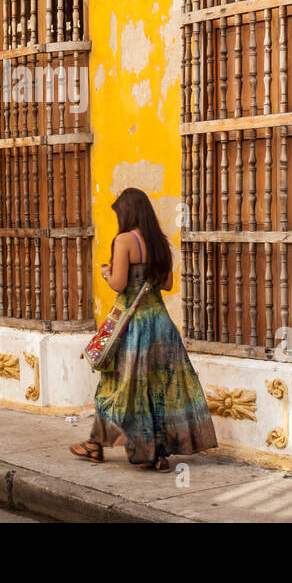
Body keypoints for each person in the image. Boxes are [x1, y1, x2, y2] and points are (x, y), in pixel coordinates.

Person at [70, 187, 217, 471]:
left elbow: (119, 284)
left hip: (133, 328)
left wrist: (105, 272)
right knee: (158, 389)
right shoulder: (160, 242)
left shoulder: (124, 240)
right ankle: (159, 455)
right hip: (161, 325)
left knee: (115, 386)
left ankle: (97, 445)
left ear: (127, 213)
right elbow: (167, 285)